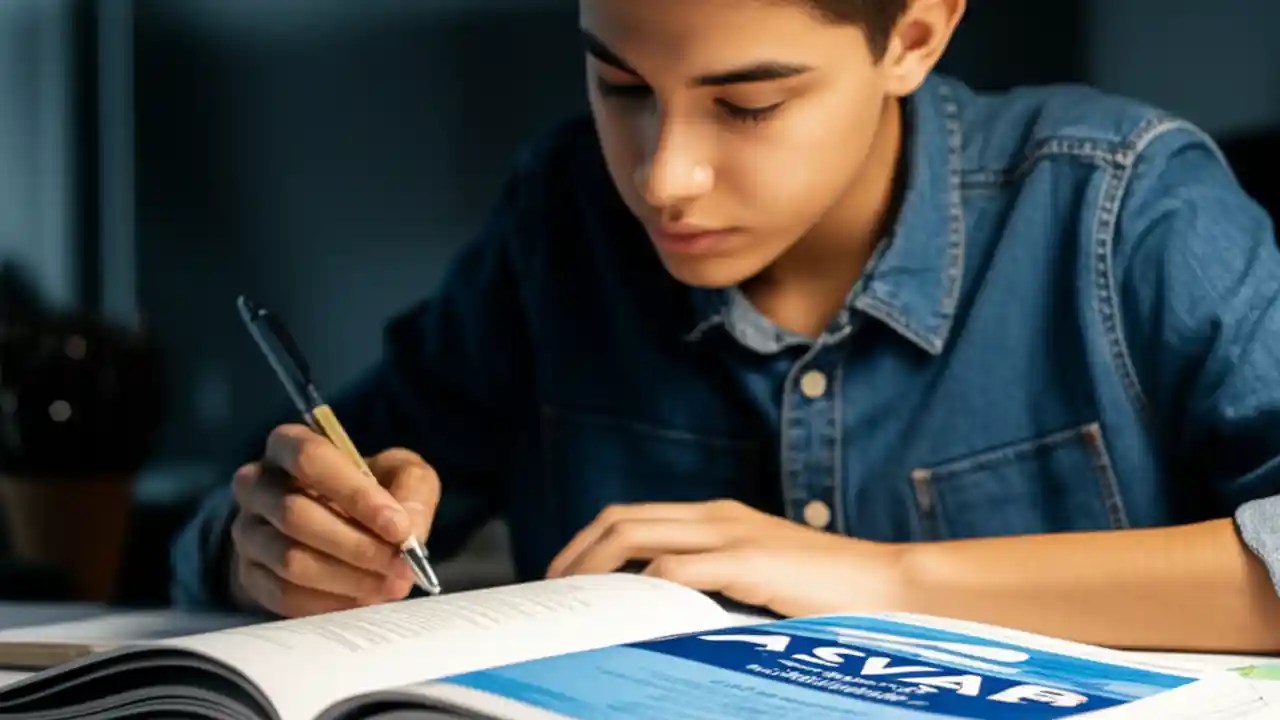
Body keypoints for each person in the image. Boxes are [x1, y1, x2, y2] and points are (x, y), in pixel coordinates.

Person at [171, 0, 1280, 652]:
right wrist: (274, 546)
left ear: (914, 31)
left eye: (749, 106)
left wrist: (880, 579)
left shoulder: (1126, 208)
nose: (664, 179)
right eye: (618, 85)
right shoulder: (562, 220)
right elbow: (286, 507)